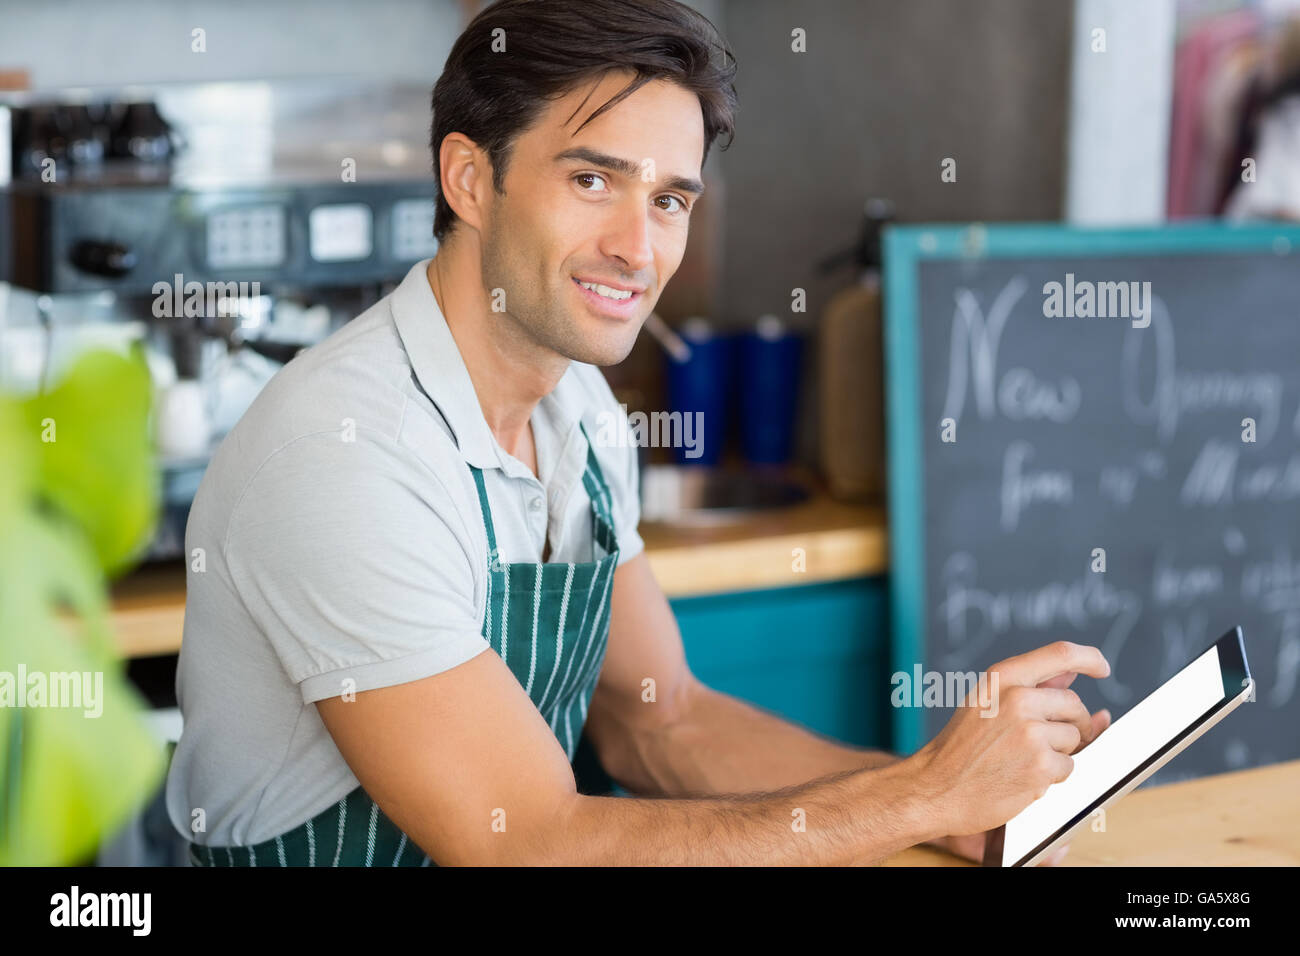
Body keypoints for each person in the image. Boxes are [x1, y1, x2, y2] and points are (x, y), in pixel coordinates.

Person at [166, 0, 1110, 866]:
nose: (639, 247)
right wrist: (918, 795)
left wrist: (960, 811)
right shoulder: (346, 455)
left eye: (669, 200)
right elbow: (523, 843)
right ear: (469, 179)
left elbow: (662, 725)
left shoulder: (579, 407)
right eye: (591, 180)